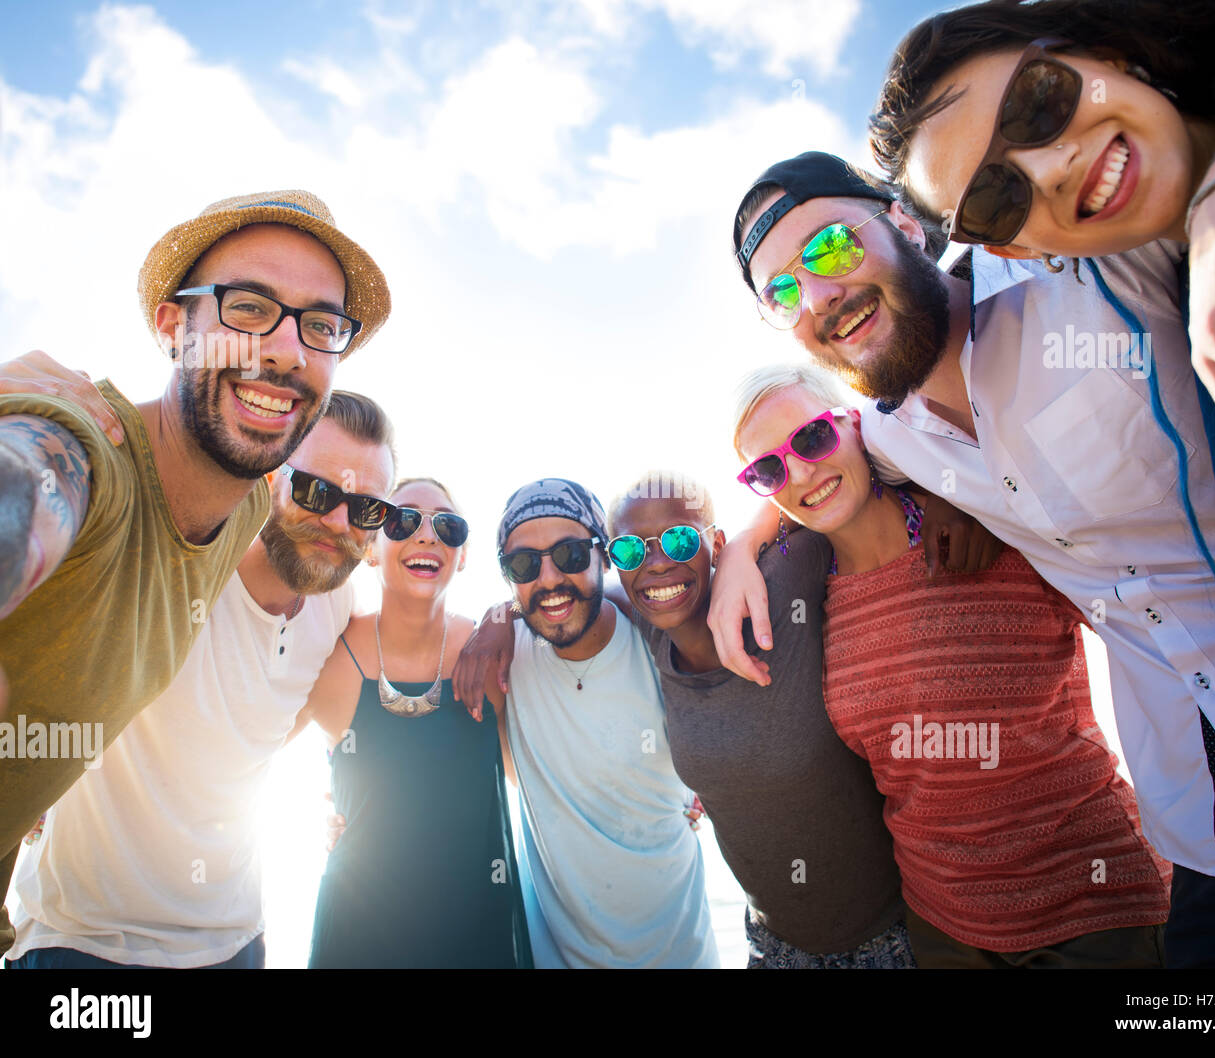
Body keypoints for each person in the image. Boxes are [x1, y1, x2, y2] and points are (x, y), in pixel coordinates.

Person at [718, 150, 1215, 967]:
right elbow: (817, 470)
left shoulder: (1081, 287)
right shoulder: (896, 436)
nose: (817, 293)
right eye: (784, 292)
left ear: (908, 223)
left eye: (830, 249)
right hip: (1200, 827)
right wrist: (746, 541)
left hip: (1126, 867)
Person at [0, 190, 390, 954]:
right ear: (174, 326)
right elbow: (32, 481)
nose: (285, 350)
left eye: (320, 325)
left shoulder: (249, 507)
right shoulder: (85, 453)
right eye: (248, 307)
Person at [867, 0, 1215, 652]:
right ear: (1014, 250)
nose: (1050, 169)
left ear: (1102, 54)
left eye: (1039, 104)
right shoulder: (1174, 305)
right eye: (995, 198)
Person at [733, 363, 1170, 967]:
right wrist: (737, 546)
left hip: (1098, 909)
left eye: (811, 438)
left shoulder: (989, 519)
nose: (801, 472)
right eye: (769, 468)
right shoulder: (800, 597)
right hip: (946, 932)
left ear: (856, 425)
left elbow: (1160, 634)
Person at [601, 470, 912, 968]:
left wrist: (749, 543)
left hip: (892, 941)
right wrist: (497, 623)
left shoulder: (780, 583)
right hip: (772, 948)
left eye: (679, 541)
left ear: (715, 545)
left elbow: (839, 476)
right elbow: (562, 599)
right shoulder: (652, 625)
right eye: (630, 552)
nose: (655, 565)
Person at [300, 477, 531, 969]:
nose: (427, 536)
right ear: (369, 547)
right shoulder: (327, 656)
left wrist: (507, 608)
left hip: (477, 934)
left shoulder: (492, 654)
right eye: (402, 520)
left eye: (447, 526)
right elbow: (243, 749)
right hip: (357, 935)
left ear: (462, 554)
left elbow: (534, 778)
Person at [490, 478, 717, 968]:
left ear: (605, 556)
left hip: (682, 955)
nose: (549, 578)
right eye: (525, 564)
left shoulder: (660, 641)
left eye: (571, 554)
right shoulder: (500, 663)